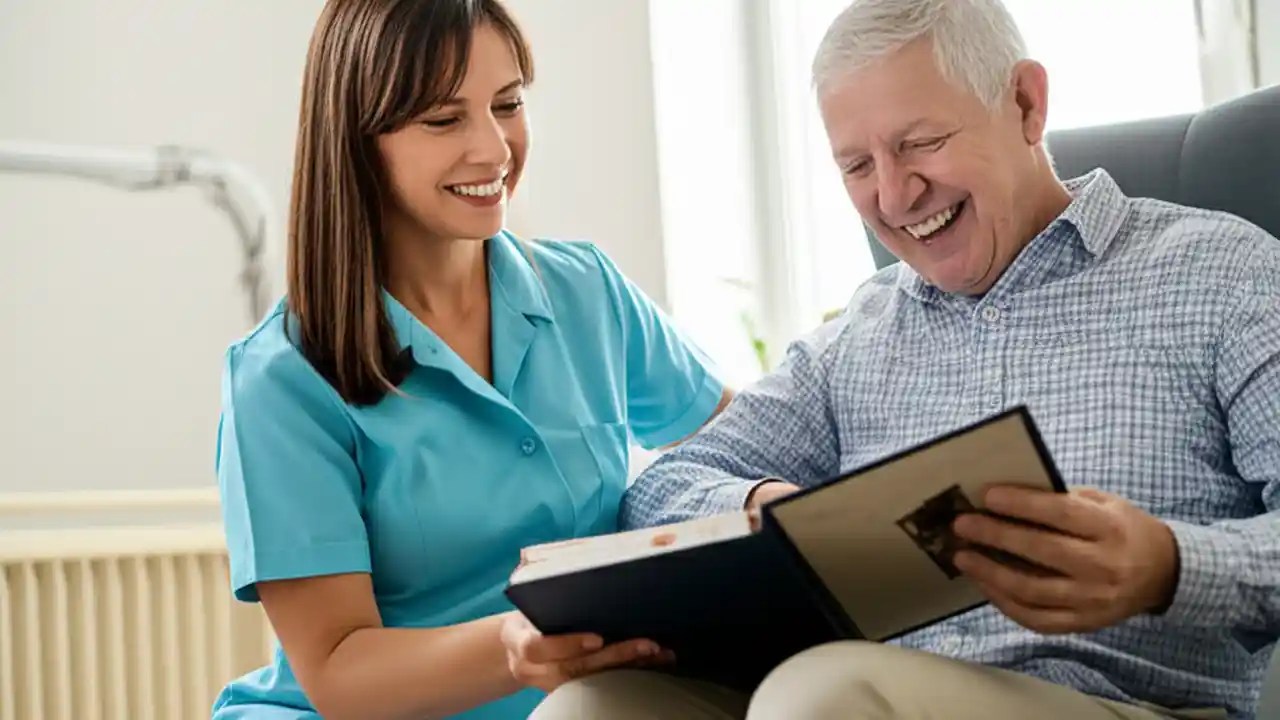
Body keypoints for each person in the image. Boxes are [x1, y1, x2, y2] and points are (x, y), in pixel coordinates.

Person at [521, 0, 1280, 718]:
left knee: (824, 694)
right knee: (592, 706)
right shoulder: (860, 335)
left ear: (1025, 104)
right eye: (857, 165)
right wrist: (765, 513)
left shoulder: (1223, 273)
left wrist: (1168, 565)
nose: (893, 193)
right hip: (860, 690)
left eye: (921, 143)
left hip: (1120, 699)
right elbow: (664, 488)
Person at [210, 1, 729, 718]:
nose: (494, 148)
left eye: (508, 104)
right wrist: (512, 647)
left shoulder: (588, 293)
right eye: (443, 119)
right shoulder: (282, 379)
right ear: (361, 139)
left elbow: (738, 443)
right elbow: (335, 668)